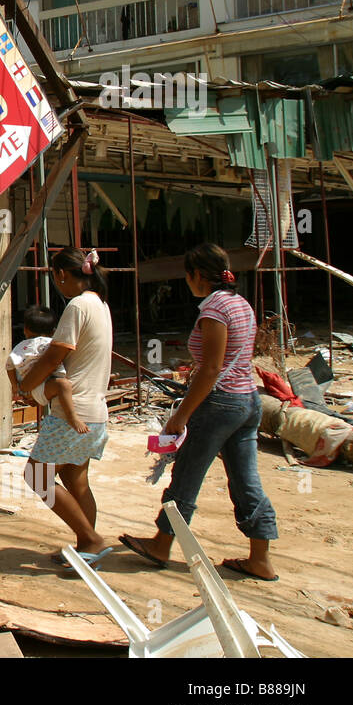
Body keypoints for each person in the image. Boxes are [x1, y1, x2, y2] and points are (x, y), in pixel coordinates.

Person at [120, 244, 279, 581]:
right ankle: (260, 558)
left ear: (196, 276)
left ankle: (162, 543)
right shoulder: (240, 303)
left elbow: (210, 369)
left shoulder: (214, 310)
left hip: (219, 404)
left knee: (186, 477)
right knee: (246, 480)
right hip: (247, 400)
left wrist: (180, 417)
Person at [16, 247, 115, 567]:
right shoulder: (100, 304)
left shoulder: (77, 305)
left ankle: (91, 540)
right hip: (95, 410)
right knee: (76, 481)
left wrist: (28, 382)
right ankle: (88, 548)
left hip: (72, 410)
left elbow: (57, 351)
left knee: (37, 476)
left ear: (61, 274)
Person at [6, 305, 84, 429]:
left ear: (25, 330)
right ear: (54, 331)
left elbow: (9, 365)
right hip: (42, 386)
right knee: (63, 385)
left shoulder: (20, 347)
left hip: (31, 388)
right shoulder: (51, 344)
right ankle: (72, 417)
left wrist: (15, 386)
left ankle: (43, 420)